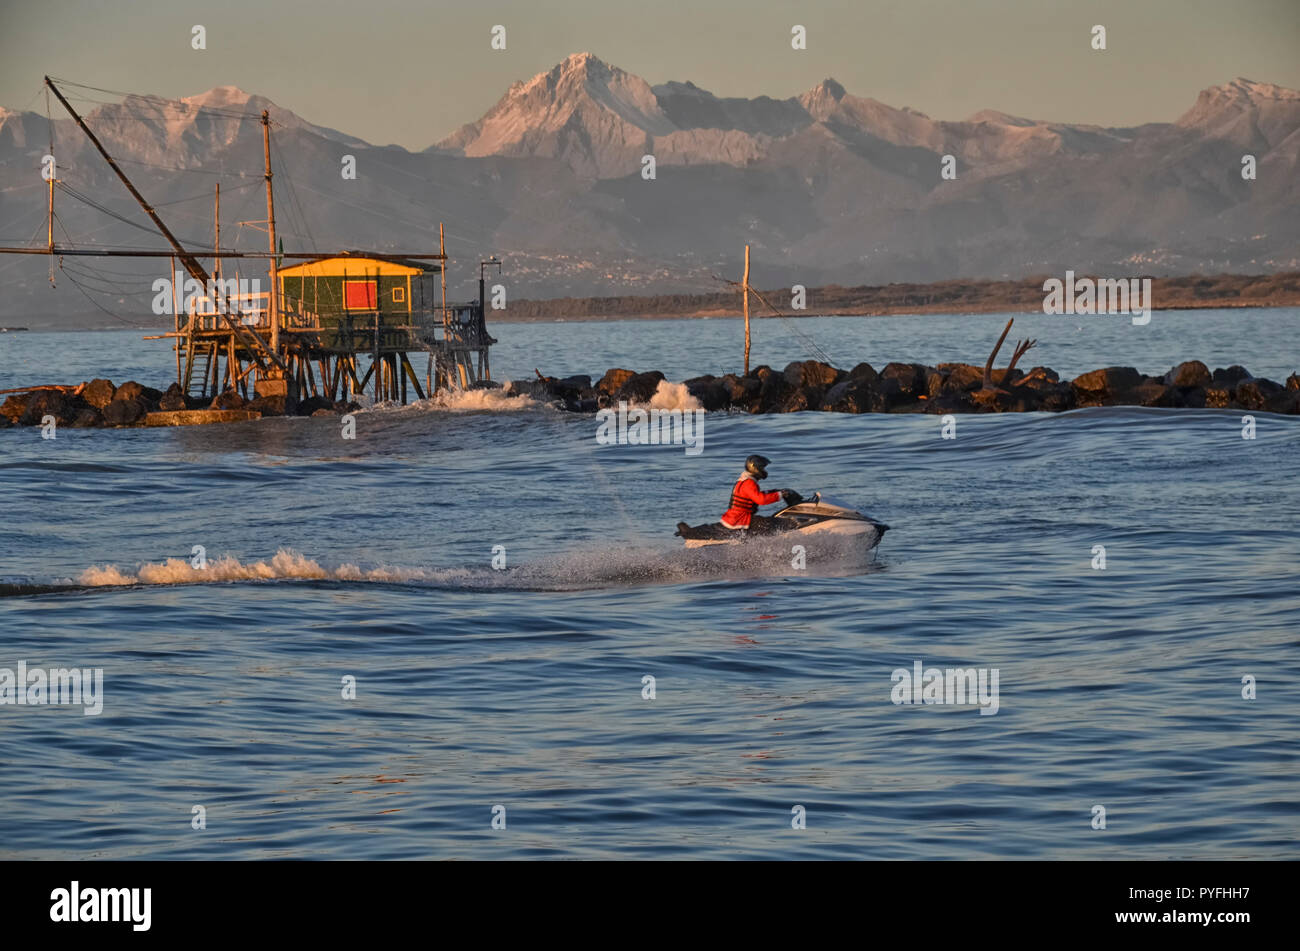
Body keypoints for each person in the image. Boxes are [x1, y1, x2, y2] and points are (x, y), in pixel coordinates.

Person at [720, 455, 801, 533]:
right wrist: (780, 495)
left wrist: (775, 491)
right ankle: (795, 524)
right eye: (762, 468)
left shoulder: (744, 481)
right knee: (771, 524)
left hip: (736, 518)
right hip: (740, 519)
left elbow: (754, 495)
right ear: (755, 468)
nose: (764, 471)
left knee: (766, 522)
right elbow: (761, 500)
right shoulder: (749, 483)